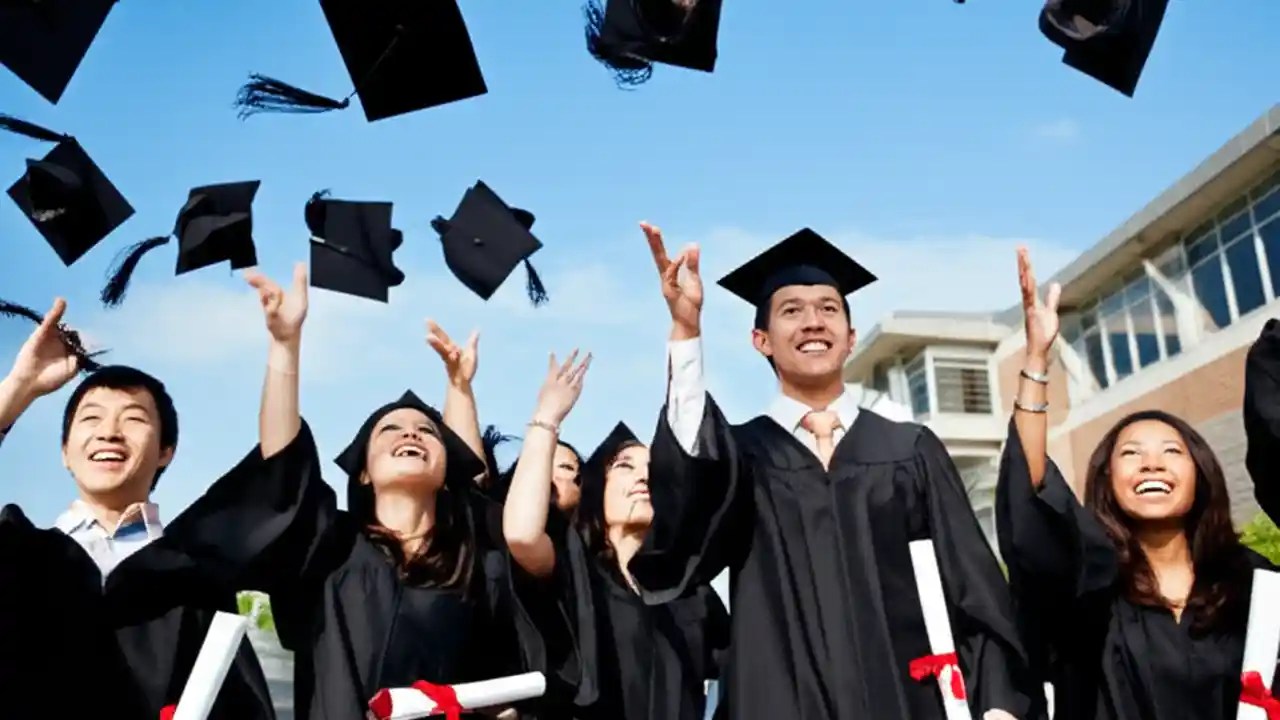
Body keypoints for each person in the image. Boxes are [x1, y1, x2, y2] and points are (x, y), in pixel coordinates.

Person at [628, 223, 1036, 720]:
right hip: (778, 701)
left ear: (849, 337)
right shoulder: (739, 456)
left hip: (908, 702)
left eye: (828, 309)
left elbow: (972, 585)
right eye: (791, 311)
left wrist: (997, 706)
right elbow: (686, 486)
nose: (813, 322)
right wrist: (686, 331)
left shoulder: (910, 450)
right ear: (761, 340)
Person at [240, 264, 563, 719]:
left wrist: (459, 389)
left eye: (427, 432)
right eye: (389, 429)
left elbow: (500, 680)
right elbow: (283, 467)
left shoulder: (476, 567)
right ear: (364, 472)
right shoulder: (331, 549)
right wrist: (284, 346)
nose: (409, 435)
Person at [997, 248, 1278, 719]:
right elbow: (1029, 500)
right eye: (1131, 454)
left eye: (1171, 452)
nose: (1152, 464)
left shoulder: (1253, 585)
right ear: (1108, 481)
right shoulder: (1086, 587)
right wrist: (1036, 363)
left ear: (1200, 477)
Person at [0, 297, 277, 718]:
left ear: (166, 451)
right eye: (91, 419)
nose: (109, 432)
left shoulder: (196, 578)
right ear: (64, 451)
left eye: (133, 418)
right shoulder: (17, 551)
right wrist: (19, 386)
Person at [504, 352, 729, 720]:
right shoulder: (574, 571)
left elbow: (747, 674)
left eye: (653, 470)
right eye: (625, 467)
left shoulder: (692, 594)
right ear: (596, 491)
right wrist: (547, 420)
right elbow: (522, 536)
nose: (644, 477)